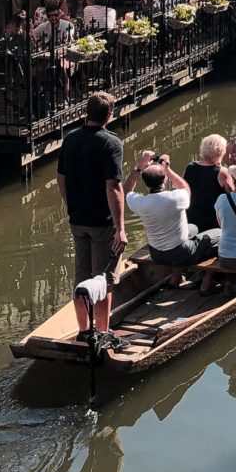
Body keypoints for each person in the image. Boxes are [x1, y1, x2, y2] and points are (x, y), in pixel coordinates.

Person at [56, 92, 126, 335]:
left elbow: (61, 178)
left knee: (81, 278)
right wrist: (120, 228)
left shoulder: (70, 139)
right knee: (103, 279)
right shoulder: (112, 143)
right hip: (102, 222)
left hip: (77, 220)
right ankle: (103, 333)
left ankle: (84, 330)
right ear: (109, 115)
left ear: (87, 112)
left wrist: (70, 205)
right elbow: (113, 186)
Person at [124, 149, 218, 276]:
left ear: (146, 185)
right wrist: (167, 169)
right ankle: (213, 278)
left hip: (156, 253)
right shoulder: (175, 198)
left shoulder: (140, 203)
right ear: (164, 181)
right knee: (220, 233)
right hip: (182, 253)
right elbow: (185, 187)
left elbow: (126, 191)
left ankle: (175, 278)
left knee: (193, 228)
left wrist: (139, 167)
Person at [184, 133, 228, 233]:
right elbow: (234, 194)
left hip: (192, 218)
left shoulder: (190, 167)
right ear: (220, 152)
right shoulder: (222, 172)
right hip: (213, 222)